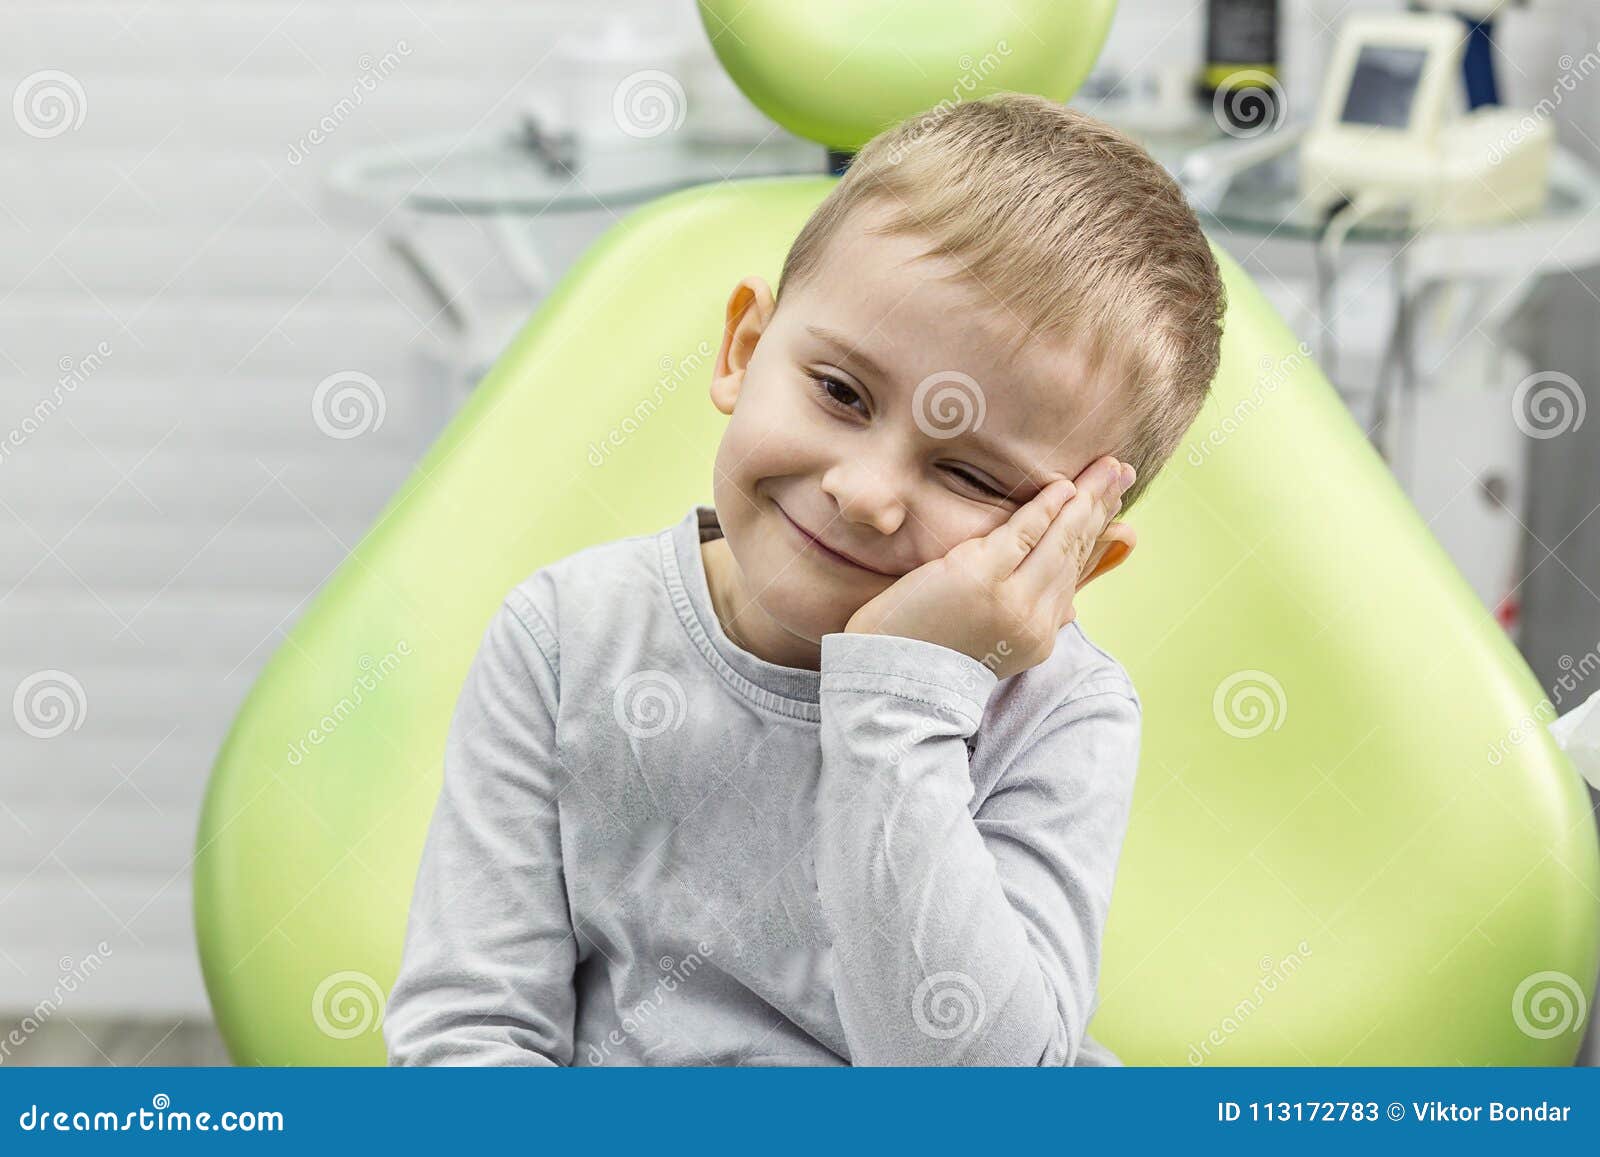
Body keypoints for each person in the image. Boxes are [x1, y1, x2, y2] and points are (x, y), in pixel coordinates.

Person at [384, 92, 1226, 1066]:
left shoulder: (1059, 711)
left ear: (1071, 558)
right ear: (745, 348)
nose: (865, 492)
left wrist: (901, 701)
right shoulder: (567, 638)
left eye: (970, 474)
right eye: (839, 391)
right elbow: (470, 1034)